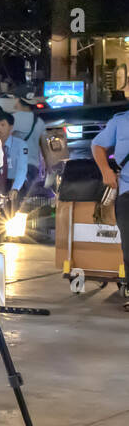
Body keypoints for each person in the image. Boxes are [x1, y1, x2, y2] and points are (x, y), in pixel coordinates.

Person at [89, 109, 129, 309]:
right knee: (128, 245)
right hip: (127, 191)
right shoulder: (120, 121)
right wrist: (106, 170)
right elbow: (97, 144)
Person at [0, 110, 29, 205]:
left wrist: (15, 188)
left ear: (10, 127)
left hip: (14, 181)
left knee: (15, 204)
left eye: (3, 125)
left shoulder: (20, 145)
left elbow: (22, 169)